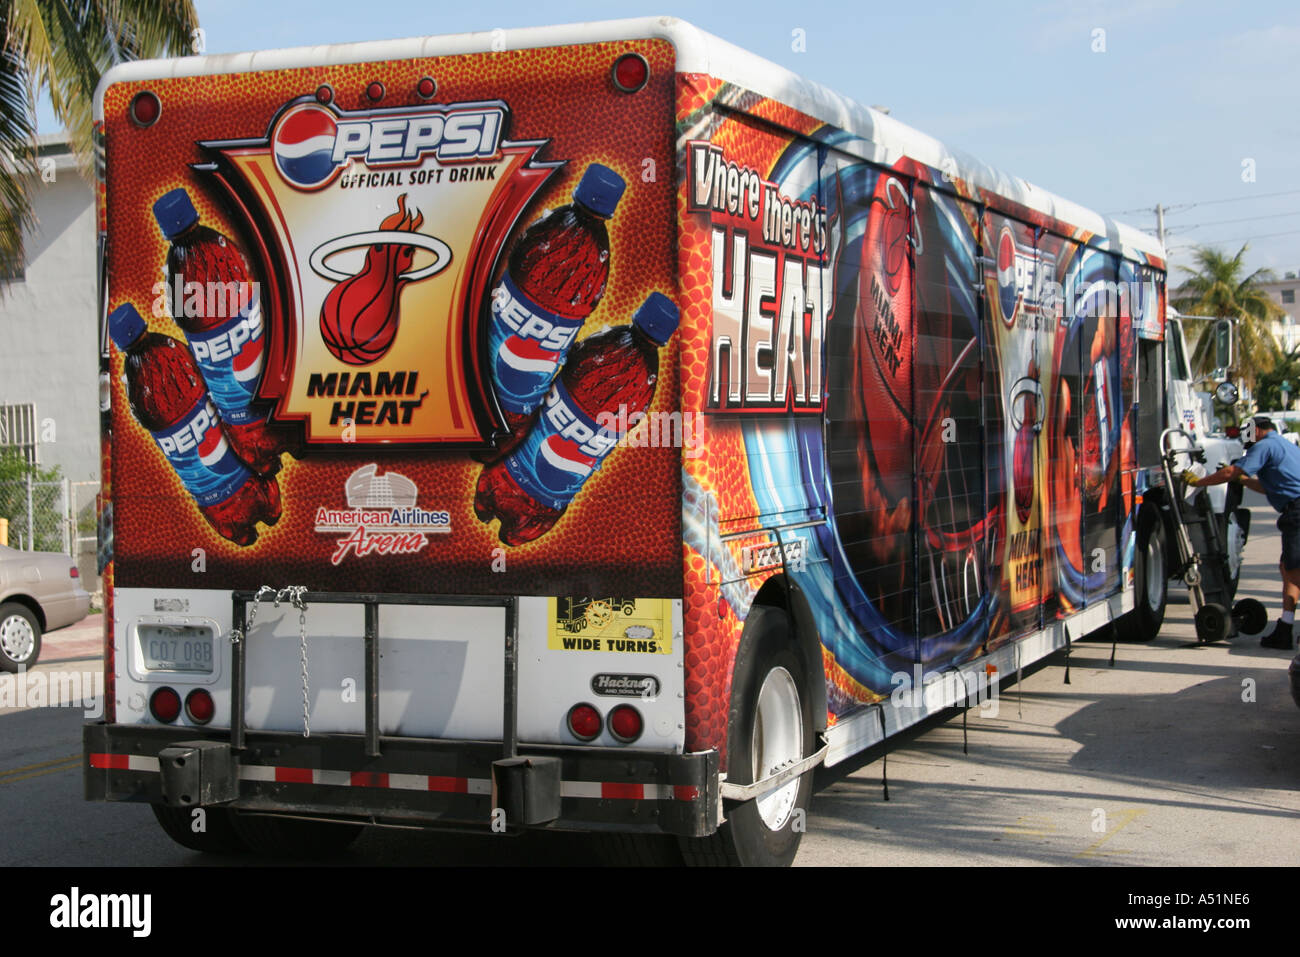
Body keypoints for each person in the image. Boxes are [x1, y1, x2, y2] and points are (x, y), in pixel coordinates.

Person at [1187, 416, 1300, 649]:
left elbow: (1229, 472)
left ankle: (1286, 629)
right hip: (1294, 510)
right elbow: (1269, 488)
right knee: (1288, 569)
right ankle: (1285, 628)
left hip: (1297, 512)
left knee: (1294, 571)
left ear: (1256, 431)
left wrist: (1198, 482)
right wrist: (1244, 480)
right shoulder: (1284, 445)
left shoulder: (1264, 445)